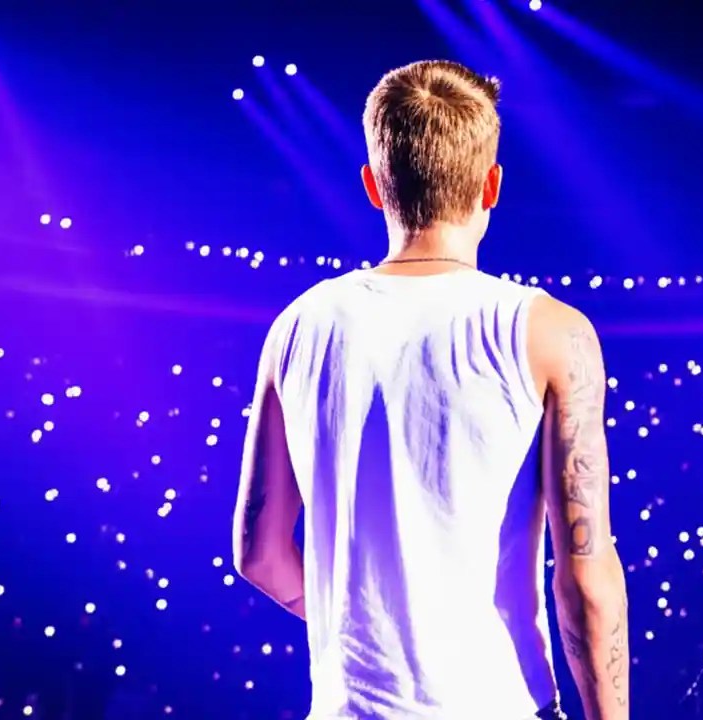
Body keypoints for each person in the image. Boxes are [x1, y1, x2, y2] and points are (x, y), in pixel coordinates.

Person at [232, 60, 630, 720]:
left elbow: (259, 555)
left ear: (372, 185)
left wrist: (353, 632)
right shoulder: (551, 332)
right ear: (492, 184)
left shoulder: (298, 326)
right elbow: (584, 576)